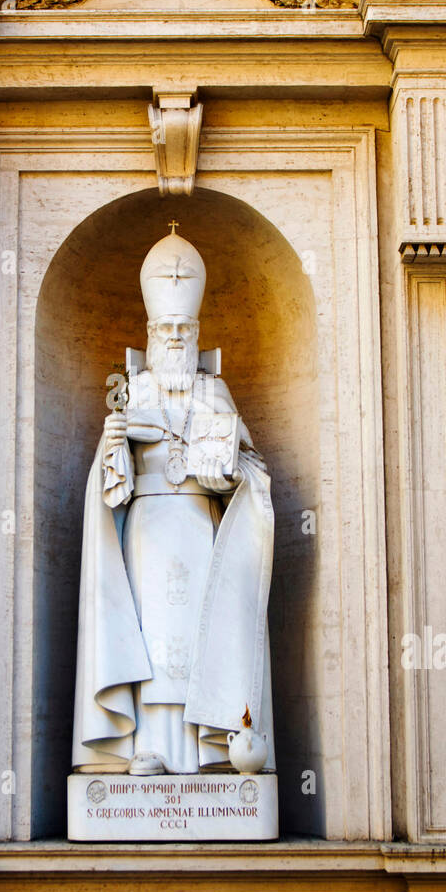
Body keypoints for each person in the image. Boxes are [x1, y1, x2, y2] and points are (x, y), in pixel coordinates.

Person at [71, 225, 275, 775]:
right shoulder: (133, 392)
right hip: (146, 530)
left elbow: (251, 473)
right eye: (167, 328)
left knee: (198, 634)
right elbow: (111, 486)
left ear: (199, 329)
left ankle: (209, 748)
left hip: (200, 525)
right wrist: (112, 447)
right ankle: (149, 748)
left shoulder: (214, 393)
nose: (177, 337)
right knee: (151, 637)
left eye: (185, 327)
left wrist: (225, 468)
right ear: (151, 333)